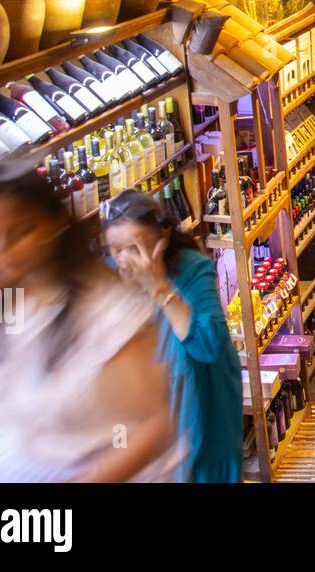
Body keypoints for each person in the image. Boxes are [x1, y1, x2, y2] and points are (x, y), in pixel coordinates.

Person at [0, 156, 177, 482]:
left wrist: (101, 468)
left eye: (19, 232)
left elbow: (147, 424)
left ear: (51, 224)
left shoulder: (103, 313)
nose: (2, 251)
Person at [102, 189, 243, 483]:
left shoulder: (191, 271)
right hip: (143, 423)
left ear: (162, 238)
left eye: (135, 247)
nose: (126, 260)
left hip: (201, 415)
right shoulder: (107, 279)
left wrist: (158, 287)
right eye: (116, 250)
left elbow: (209, 346)